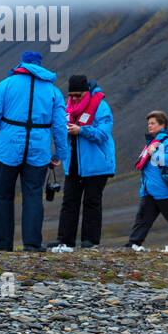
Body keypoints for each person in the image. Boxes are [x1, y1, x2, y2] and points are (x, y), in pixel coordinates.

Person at [0, 51, 68, 251]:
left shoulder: (6, 85)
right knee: (33, 195)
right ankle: (32, 244)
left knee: (3, 195)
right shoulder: (53, 91)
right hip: (38, 149)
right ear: (40, 66)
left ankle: (2, 244)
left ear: (21, 63)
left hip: (8, 147)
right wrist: (60, 154)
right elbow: (59, 125)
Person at [49, 74, 115, 250]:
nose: (74, 98)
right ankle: (64, 240)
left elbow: (103, 133)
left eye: (78, 95)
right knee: (69, 201)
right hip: (74, 164)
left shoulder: (101, 106)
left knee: (92, 202)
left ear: (87, 92)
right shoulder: (68, 108)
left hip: (97, 164)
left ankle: (90, 241)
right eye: (72, 95)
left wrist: (81, 131)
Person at [124, 111, 168, 250]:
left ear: (162, 125)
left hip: (166, 191)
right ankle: (132, 245)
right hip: (150, 190)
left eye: (153, 123)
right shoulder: (153, 142)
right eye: (148, 123)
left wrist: (154, 154)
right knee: (142, 220)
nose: (149, 126)